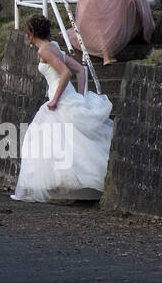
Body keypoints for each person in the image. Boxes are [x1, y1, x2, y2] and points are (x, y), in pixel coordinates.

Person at [10, 15, 114, 203]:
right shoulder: (55, 46)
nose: (27, 36)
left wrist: (55, 99)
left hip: (60, 98)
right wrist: (81, 97)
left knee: (44, 139)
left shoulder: (44, 50)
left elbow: (66, 73)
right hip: (70, 96)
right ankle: (67, 187)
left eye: (27, 33)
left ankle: (57, 186)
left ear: (31, 33)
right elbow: (80, 71)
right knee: (65, 141)